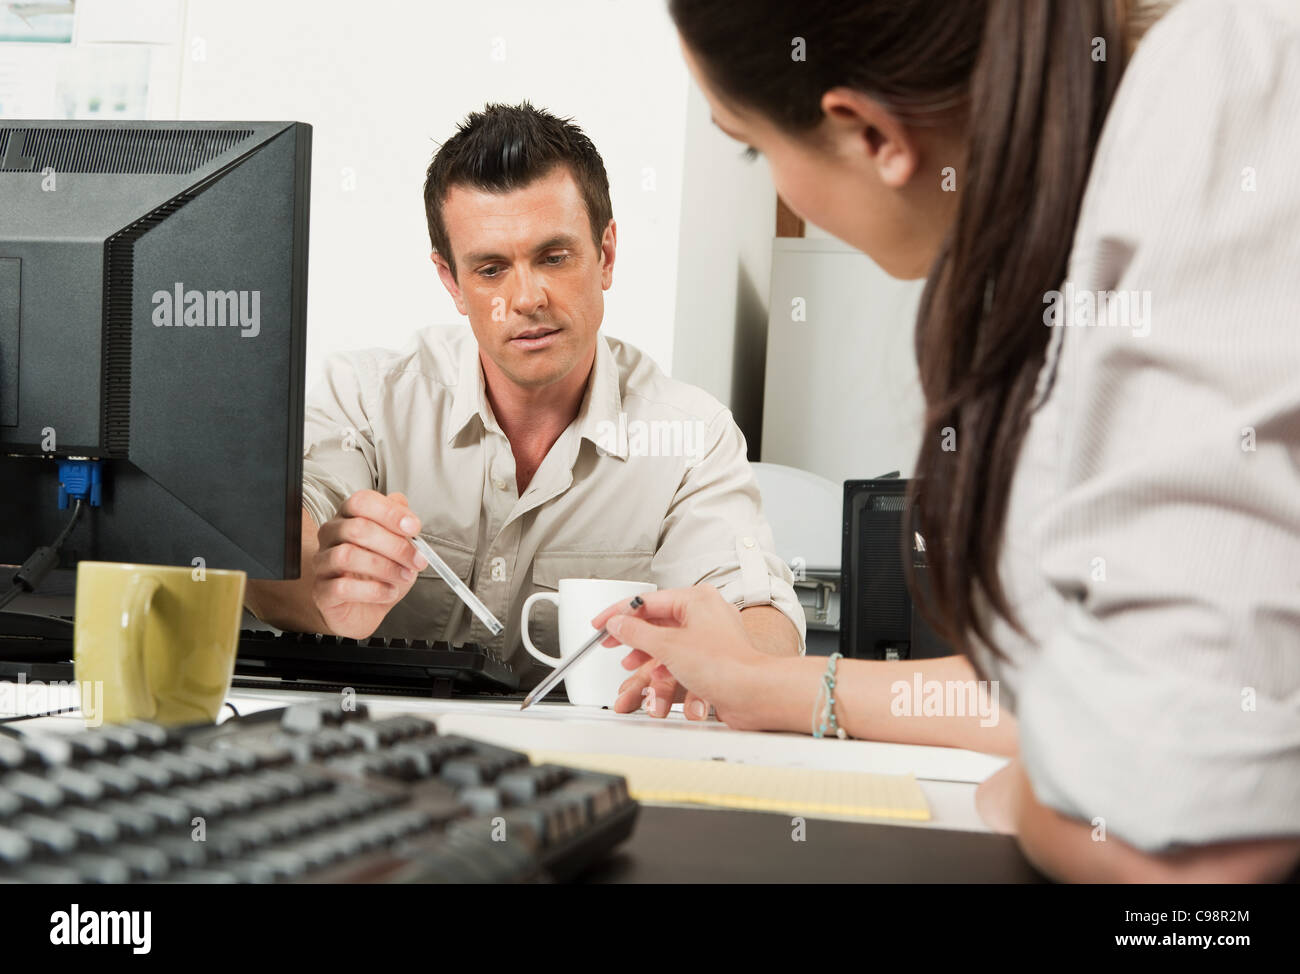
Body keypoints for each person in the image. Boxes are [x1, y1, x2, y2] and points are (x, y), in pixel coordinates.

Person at [592, 0, 1300, 881]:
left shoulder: (1216, 118)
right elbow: (1072, 693)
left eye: (752, 145)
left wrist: (1024, 800)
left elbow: (1199, 850)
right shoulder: (1111, 169)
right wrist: (763, 682)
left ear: (870, 133)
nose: (775, 183)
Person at [245, 102, 805, 696]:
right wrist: (327, 591)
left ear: (606, 256)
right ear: (451, 283)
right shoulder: (367, 398)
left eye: (554, 257)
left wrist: (734, 662)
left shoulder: (692, 437)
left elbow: (761, 615)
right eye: (490, 269)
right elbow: (265, 545)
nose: (527, 297)